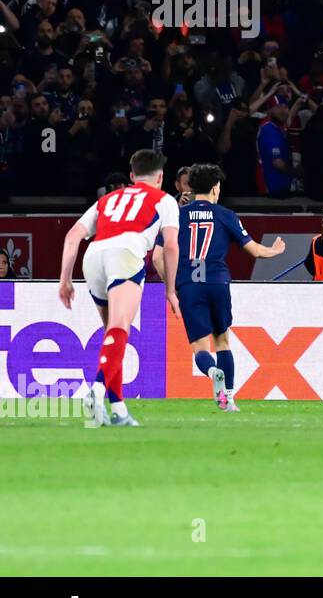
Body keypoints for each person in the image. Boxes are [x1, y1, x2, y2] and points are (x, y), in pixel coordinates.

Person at [58, 149, 180, 428]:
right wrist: (170, 289)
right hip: (126, 253)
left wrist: (65, 278)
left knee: (112, 336)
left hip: (94, 256)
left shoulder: (107, 199)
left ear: (132, 176)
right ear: (160, 177)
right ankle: (97, 390)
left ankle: (119, 409)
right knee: (120, 329)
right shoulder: (165, 200)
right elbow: (171, 246)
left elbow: (73, 235)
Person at [151, 164, 286, 412]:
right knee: (222, 341)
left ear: (191, 188)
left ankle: (213, 372)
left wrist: (171, 285)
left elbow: (157, 257)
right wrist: (275, 251)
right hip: (217, 282)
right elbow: (255, 250)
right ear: (215, 188)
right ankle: (229, 400)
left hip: (189, 285)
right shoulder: (225, 215)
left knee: (200, 348)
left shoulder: (177, 216)